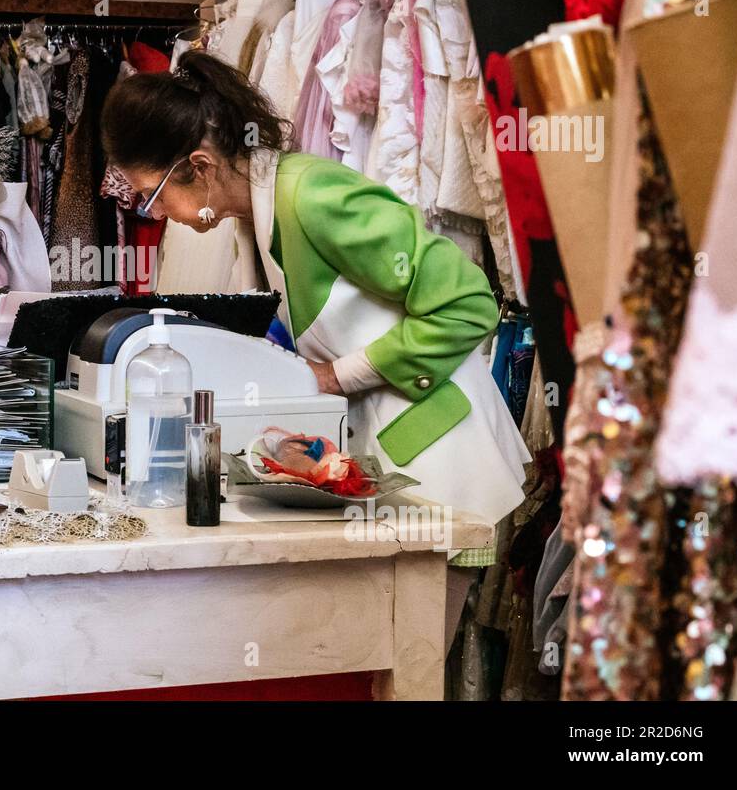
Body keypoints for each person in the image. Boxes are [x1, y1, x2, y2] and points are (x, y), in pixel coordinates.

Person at [100, 51, 528, 526]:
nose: (155, 214)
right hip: (391, 454)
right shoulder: (255, 218)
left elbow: (467, 305)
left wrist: (335, 375)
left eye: (153, 195)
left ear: (199, 167)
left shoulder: (313, 195)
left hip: (445, 459)